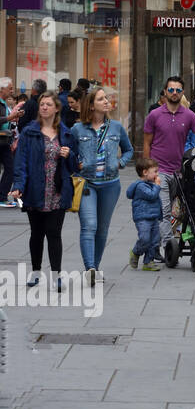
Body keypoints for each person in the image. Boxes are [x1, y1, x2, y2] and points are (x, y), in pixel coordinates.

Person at [10, 91, 76, 290]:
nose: (44, 107)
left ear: (57, 108)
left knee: (54, 233)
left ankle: (57, 275)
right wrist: (19, 187)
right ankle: (36, 272)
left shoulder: (66, 133)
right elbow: (21, 162)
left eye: (48, 104)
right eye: (42, 104)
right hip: (35, 190)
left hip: (57, 191)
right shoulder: (30, 132)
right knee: (37, 233)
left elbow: (74, 166)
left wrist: (69, 154)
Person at [141, 76, 195, 255]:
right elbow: (146, 143)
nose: (174, 93)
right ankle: (168, 248)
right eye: (171, 90)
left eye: (178, 90)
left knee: (181, 212)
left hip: (180, 172)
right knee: (164, 210)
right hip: (159, 171)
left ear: (183, 93)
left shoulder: (189, 115)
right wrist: (145, 171)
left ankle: (154, 247)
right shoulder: (154, 115)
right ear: (165, 92)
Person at [69, 87, 133, 277]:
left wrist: (119, 163)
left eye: (106, 98)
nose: (106, 101)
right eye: (101, 99)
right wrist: (75, 161)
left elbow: (128, 149)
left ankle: (94, 269)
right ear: (91, 105)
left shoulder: (116, 127)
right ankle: (89, 267)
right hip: (87, 184)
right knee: (89, 225)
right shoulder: (77, 129)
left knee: (102, 229)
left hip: (110, 184)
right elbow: (69, 152)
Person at [126, 158, 164, 271]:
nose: (157, 174)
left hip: (153, 217)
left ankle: (148, 262)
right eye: (155, 172)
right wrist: (157, 186)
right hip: (143, 218)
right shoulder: (141, 186)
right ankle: (135, 252)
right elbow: (152, 196)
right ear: (145, 172)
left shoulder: (151, 184)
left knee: (155, 240)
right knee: (145, 238)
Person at [0, 83, 17, 205]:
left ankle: (2, 195)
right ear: (2, 89)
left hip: (4, 141)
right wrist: (10, 117)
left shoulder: (4, 103)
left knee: (10, 168)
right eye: (10, 88)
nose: (12, 91)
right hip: (1, 140)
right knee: (10, 168)